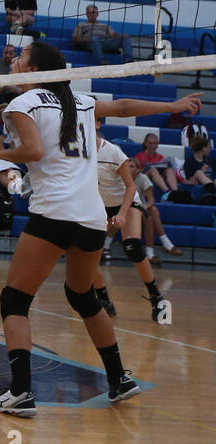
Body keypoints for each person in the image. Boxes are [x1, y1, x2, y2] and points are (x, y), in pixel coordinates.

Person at [0, 41, 201, 416]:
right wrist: (172, 106)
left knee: (14, 301)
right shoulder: (78, 101)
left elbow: (32, 151)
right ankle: (119, 378)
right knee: (83, 297)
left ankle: (20, 393)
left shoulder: (22, 105)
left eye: (20, 58)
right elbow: (124, 108)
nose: (12, 62)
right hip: (92, 219)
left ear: (34, 72)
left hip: (55, 214)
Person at [93, 120, 168, 323]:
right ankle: (104, 299)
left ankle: (156, 297)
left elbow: (131, 187)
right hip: (99, 204)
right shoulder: (75, 152)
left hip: (125, 201)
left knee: (132, 247)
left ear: (97, 124)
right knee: (88, 254)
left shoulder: (113, 152)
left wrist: (123, 213)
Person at [132, 159, 183, 263]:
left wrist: (144, 208)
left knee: (152, 211)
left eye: (133, 167)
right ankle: (165, 244)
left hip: (140, 210)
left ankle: (151, 253)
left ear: (138, 169)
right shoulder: (121, 179)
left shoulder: (142, 178)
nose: (131, 169)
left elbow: (151, 200)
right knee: (149, 213)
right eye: (129, 166)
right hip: (126, 210)